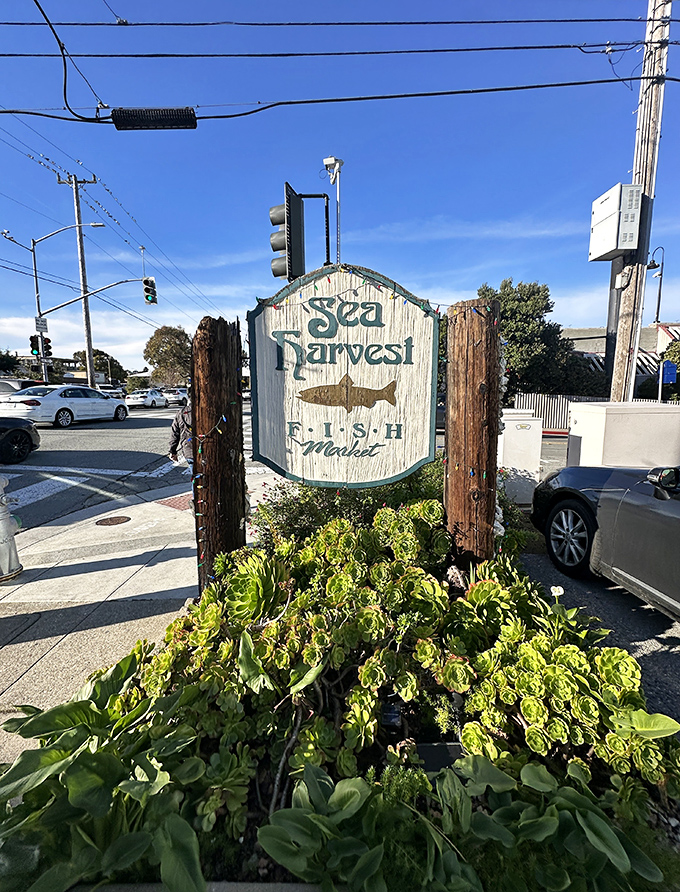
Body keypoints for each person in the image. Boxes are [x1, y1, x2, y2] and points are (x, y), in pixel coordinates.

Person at [169, 399, 193, 473]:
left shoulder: (181, 413)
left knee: (196, 478)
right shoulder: (210, 410)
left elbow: (175, 433)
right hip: (209, 450)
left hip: (189, 450)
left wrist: (172, 451)